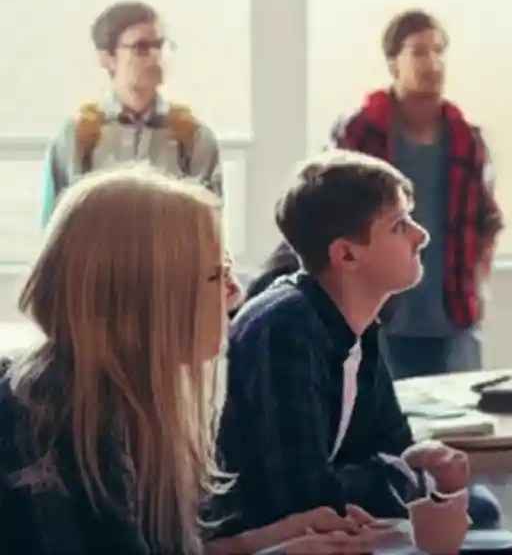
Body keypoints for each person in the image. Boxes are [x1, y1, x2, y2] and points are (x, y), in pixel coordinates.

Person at [0, 165, 389, 554]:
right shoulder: (54, 428)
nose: (235, 292)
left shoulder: (122, 401)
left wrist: (267, 541)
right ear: (151, 294)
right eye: (217, 274)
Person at [209, 150, 473, 550]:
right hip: (267, 539)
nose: (422, 235)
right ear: (346, 254)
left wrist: (396, 471)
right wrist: (399, 472)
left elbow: (397, 449)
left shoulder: (360, 325)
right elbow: (301, 496)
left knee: (473, 510)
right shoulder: (285, 327)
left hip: (334, 529)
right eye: (400, 225)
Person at [330, 9, 502, 379]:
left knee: (463, 429)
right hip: (381, 315)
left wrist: (478, 282)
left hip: (451, 311)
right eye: (419, 52)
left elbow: (486, 221)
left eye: (439, 52)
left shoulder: (465, 140)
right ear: (393, 64)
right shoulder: (361, 134)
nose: (433, 63)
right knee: (383, 428)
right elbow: (333, 220)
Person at [39, 1, 222, 225]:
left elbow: (211, 227)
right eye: (141, 48)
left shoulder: (192, 136)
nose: (156, 57)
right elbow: (54, 227)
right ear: (107, 57)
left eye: (160, 46)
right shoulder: (79, 135)